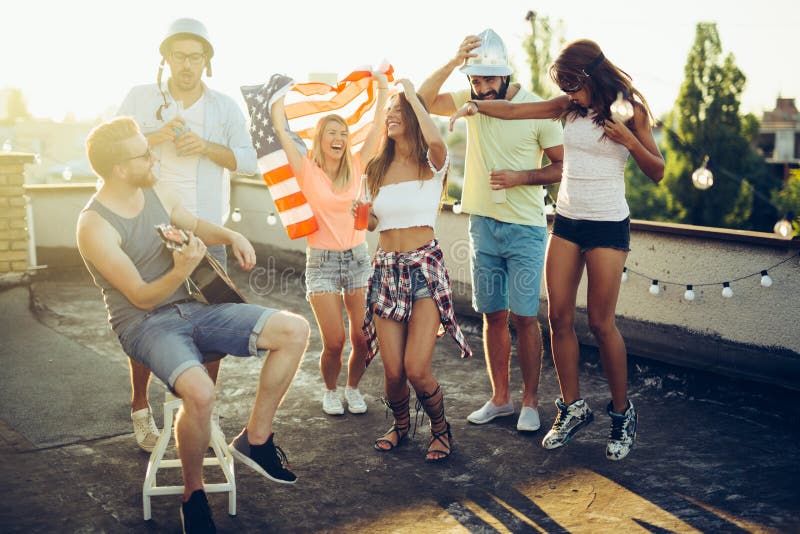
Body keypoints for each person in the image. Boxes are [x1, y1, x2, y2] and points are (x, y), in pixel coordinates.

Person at [77, 117, 307, 531]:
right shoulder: (93, 225)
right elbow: (140, 296)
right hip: (145, 324)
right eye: (143, 154)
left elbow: (193, 224)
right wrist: (181, 266)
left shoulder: (155, 189)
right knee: (200, 392)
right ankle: (193, 494)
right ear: (118, 169)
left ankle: (255, 441)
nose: (153, 158)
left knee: (295, 330)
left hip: (194, 307)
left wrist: (232, 235)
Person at [450, 39, 665, 460]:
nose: (569, 93)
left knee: (602, 325)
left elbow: (657, 171)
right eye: (563, 85)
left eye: (573, 84)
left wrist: (630, 139)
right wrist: (475, 107)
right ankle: (572, 408)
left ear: (593, 76)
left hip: (606, 225)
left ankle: (622, 414)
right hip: (567, 221)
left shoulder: (630, 109)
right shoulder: (568, 107)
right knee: (558, 318)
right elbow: (514, 110)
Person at [117, 17, 257, 452]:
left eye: (196, 56)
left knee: (211, 323)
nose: (187, 64)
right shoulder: (140, 97)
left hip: (205, 229)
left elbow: (249, 162)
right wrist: (155, 137)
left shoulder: (224, 107)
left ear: (206, 62)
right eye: (179, 55)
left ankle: (198, 414)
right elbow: (107, 149)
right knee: (145, 316)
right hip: (146, 228)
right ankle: (140, 410)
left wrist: (205, 147)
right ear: (166, 57)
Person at [418, 29, 564, 432]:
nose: (481, 89)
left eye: (487, 80)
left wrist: (522, 176)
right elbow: (420, 99)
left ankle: (530, 403)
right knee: (492, 317)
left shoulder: (537, 108)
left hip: (525, 230)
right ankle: (501, 399)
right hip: (482, 225)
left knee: (524, 317)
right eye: (475, 81)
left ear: (504, 75)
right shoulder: (472, 103)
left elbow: (562, 166)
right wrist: (452, 62)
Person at [360, 79, 471, 463]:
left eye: (396, 111)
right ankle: (401, 425)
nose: (390, 117)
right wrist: (361, 215)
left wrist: (410, 93)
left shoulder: (432, 164)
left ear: (411, 116)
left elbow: (436, 138)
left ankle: (441, 431)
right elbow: (371, 223)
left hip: (424, 268)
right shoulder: (375, 169)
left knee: (416, 368)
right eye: (387, 111)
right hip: (386, 269)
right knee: (393, 373)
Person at [269, 73, 388, 416]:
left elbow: (378, 124)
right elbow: (280, 129)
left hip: (357, 259)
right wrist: (281, 95)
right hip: (320, 262)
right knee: (334, 341)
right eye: (332, 133)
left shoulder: (357, 164)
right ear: (320, 139)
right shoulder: (306, 170)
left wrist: (380, 88)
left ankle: (352, 388)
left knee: (364, 339)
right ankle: (331, 390)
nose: (339, 138)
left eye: (343, 133)